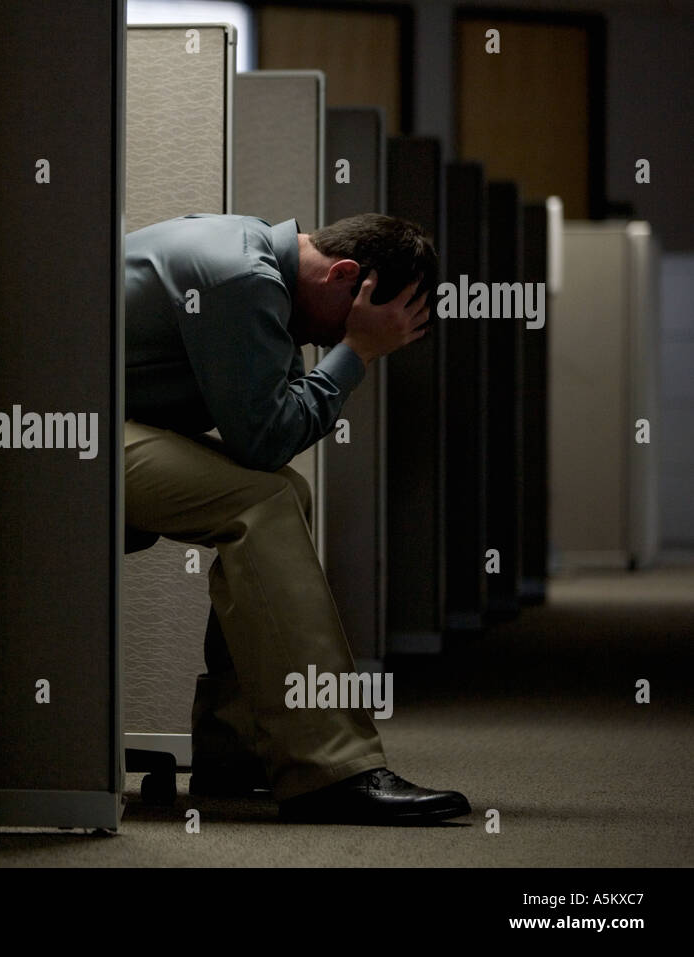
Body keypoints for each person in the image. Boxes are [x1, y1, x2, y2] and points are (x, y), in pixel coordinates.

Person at [124, 212, 470, 824]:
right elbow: (264, 437)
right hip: (48, 433)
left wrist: (351, 342)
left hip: (96, 419)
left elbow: (273, 431)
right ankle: (332, 769)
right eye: (345, 322)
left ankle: (239, 748)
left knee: (285, 492)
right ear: (343, 275)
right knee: (263, 500)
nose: (326, 343)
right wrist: (356, 351)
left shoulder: (259, 261)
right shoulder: (240, 276)